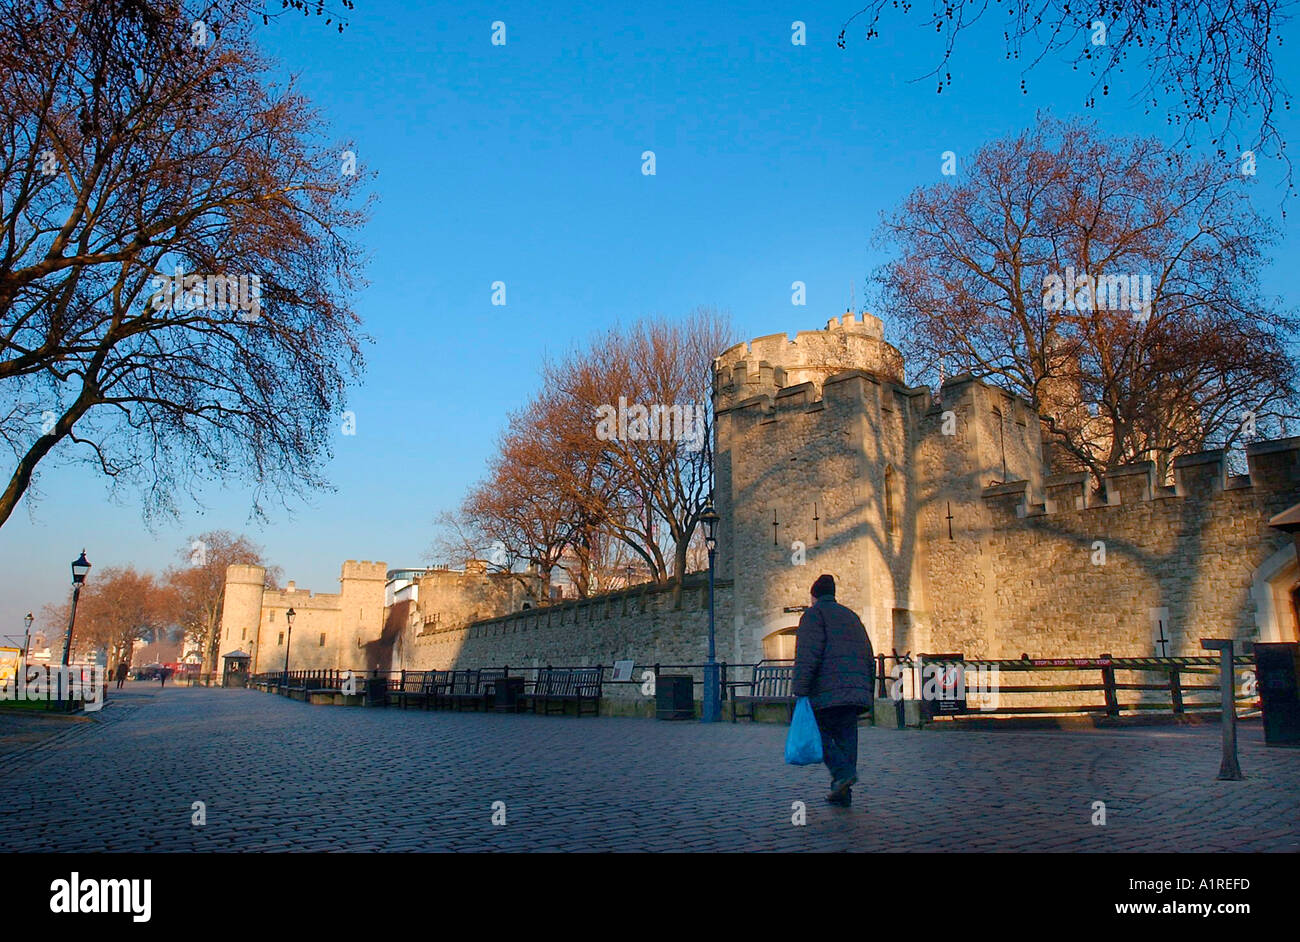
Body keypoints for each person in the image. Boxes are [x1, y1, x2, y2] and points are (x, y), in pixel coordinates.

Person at [792, 574, 875, 807]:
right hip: (854, 692)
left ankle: (842, 774)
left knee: (820, 734)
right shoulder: (851, 616)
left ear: (814, 596)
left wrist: (801, 688)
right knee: (847, 739)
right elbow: (869, 655)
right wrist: (868, 690)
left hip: (826, 691)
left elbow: (808, 655)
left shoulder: (813, 616)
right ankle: (842, 793)